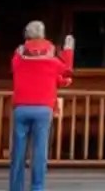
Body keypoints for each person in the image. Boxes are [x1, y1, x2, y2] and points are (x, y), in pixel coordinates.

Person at [9, 21, 74, 191]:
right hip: (43, 108)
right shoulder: (51, 55)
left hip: (21, 106)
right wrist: (68, 51)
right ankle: (37, 188)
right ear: (43, 34)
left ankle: (16, 188)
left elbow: (18, 70)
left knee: (18, 152)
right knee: (39, 151)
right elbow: (66, 70)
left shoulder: (19, 53)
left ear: (26, 35)